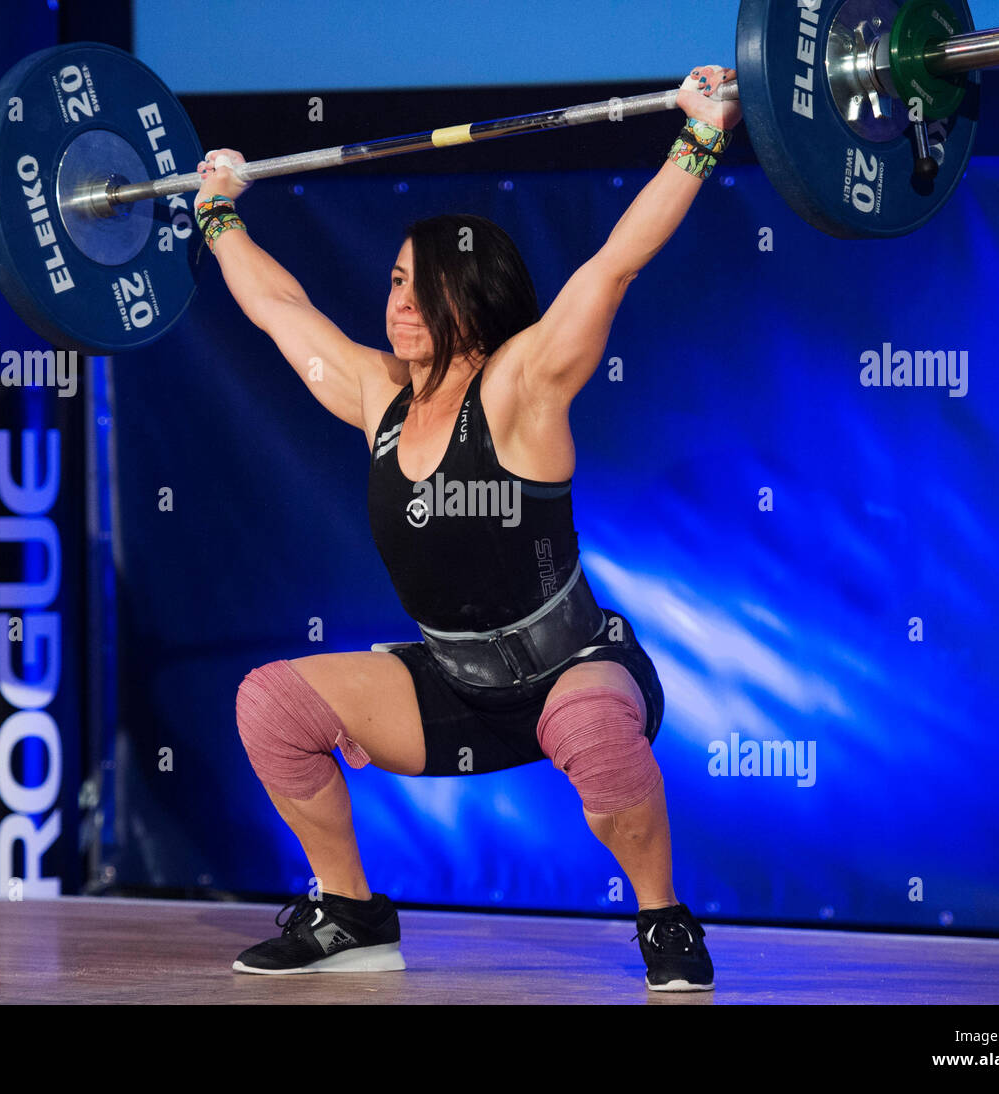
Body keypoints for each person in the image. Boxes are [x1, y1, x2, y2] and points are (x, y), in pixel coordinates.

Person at [196, 66, 741, 992]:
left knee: (596, 741)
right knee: (271, 706)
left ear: (473, 297)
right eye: (397, 282)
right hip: (453, 681)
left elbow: (614, 265)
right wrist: (218, 213)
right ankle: (350, 912)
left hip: (577, 666)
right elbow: (280, 312)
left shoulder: (522, 384)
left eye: (424, 287)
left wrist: (701, 137)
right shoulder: (377, 394)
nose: (399, 302)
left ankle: (663, 917)